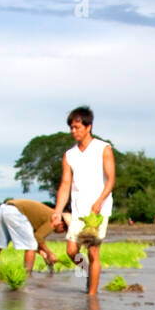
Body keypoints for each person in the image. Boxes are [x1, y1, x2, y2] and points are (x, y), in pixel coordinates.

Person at [50, 106, 115, 295]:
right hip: (78, 210)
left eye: (77, 127)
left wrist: (99, 201)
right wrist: (57, 211)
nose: (73, 131)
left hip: (98, 211)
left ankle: (92, 297)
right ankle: (87, 272)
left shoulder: (103, 148)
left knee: (93, 252)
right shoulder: (69, 155)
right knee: (72, 251)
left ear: (88, 127)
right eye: (71, 127)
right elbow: (65, 184)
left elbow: (110, 179)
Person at [0, 198, 65, 272]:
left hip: (2, 209)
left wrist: (43, 254)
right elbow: (37, 238)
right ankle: (28, 275)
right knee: (31, 246)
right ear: (61, 224)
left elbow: (34, 238)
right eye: (64, 229)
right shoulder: (55, 220)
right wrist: (50, 253)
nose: (62, 232)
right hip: (15, 212)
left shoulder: (47, 214)